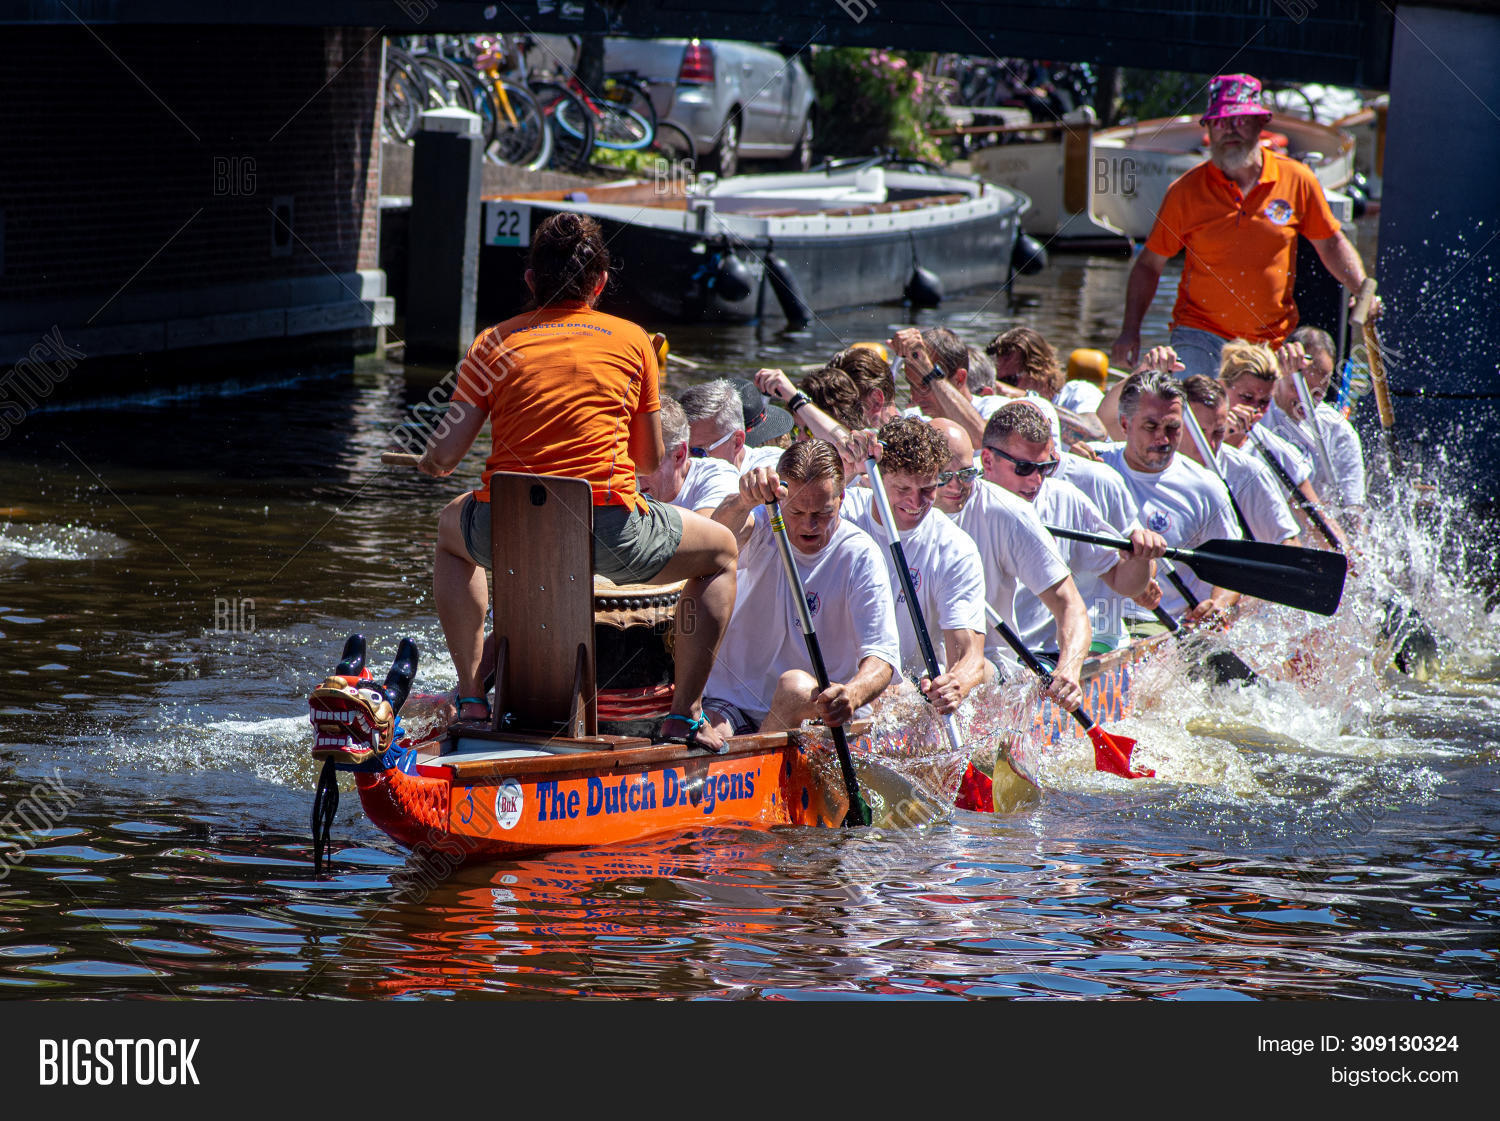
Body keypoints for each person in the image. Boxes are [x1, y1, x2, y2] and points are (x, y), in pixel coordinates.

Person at [419, 211, 737, 749]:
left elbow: (444, 458)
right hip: (611, 530)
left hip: (509, 527)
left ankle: (472, 696)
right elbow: (646, 460)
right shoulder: (635, 341)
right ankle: (684, 715)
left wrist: (428, 463)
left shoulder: (490, 344)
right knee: (723, 553)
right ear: (600, 284)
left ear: (528, 281)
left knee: (452, 538)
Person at [1110, 73, 1379, 378]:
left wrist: (1361, 289)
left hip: (1271, 343)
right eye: (1222, 122)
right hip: (1200, 334)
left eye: (1240, 121)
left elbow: (1331, 243)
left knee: (1284, 413)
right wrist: (1129, 331)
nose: (1230, 131)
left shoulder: (1298, 180)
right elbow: (1149, 265)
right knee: (1196, 408)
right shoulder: (1185, 192)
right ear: (1209, 129)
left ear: (1260, 124)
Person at [704, 440, 899, 736]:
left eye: (822, 512)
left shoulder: (860, 555)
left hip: (817, 707)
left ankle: (761, 770)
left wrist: (854, 694)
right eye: (796, 512)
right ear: (781, 501)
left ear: (842, 498)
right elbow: (712, 544)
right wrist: (742, 501)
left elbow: (882, 656)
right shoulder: (761, 523)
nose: (809, 525)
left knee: (793, 689)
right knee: (711, 729)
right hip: (736, 701)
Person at [925, 418, 1089, 711]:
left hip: (988, 672)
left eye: (966, 473)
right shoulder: (890, 510)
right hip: (920, 673)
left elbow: (1070, 605)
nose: (956, 486)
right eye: (942, 477)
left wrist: (1069, 669)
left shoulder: (1009, 514)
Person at [972, 404, 1164, 655]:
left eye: (1045, 468)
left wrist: (1140, 558)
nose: (1036, 481)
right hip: (979, 655)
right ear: (987, 460)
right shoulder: (959, 500)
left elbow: (1124, 583)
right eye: (1024, 468)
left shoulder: (1065, 499)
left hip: (1042, 655)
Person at [838, 418, 990, 716]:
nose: (916, 502)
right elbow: (796, 508)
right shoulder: (841, 512)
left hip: (905, 693)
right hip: (836, 683)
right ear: (875, 480)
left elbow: (970, 655)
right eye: (903, 488)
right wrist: (843, 468)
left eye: (927, 489)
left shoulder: (954, 547)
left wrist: (956, 682)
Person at [1094, 368, 1243, 627]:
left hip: (1155, 623)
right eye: (1150, 426)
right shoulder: (1092, 464)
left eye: (1172, 427)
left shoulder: (1205, 487)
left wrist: (1220, 605)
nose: (1162, 438)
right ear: (1125, 424)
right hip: (1094, 614)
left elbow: (1234, 568)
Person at [1216, 339, 1348, 550]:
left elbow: (1318, 521)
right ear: (1222, 387)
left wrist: (1346, 554)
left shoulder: (1277, 451)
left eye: (1264, 402)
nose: (1254, 410)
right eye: (1246, 397)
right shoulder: (1191, 430)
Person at [1260, 325, 1368, 523]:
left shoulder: (1340, 432)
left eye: (1317, 393)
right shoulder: (1255, 410)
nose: (1306, 401)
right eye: (1297, 387)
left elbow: (1354, 512)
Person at [1178, 375, 1302, 546]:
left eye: (1218, 433)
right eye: (1200, 432)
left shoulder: (1248, 473)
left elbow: (1288, 543)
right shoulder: (1154, 464)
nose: (1210, 444)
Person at [637, 397, 741, 516]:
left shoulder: (717, 475)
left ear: (679, 455)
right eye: (628, 461)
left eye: (645, 462)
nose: (635, 475)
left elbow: (706, 529)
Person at [678, 377, 791, 476]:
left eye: (698, 452)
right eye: (679, 452)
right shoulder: (672, 464)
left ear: (737, 442)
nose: (685, 462)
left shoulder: (771, 466)